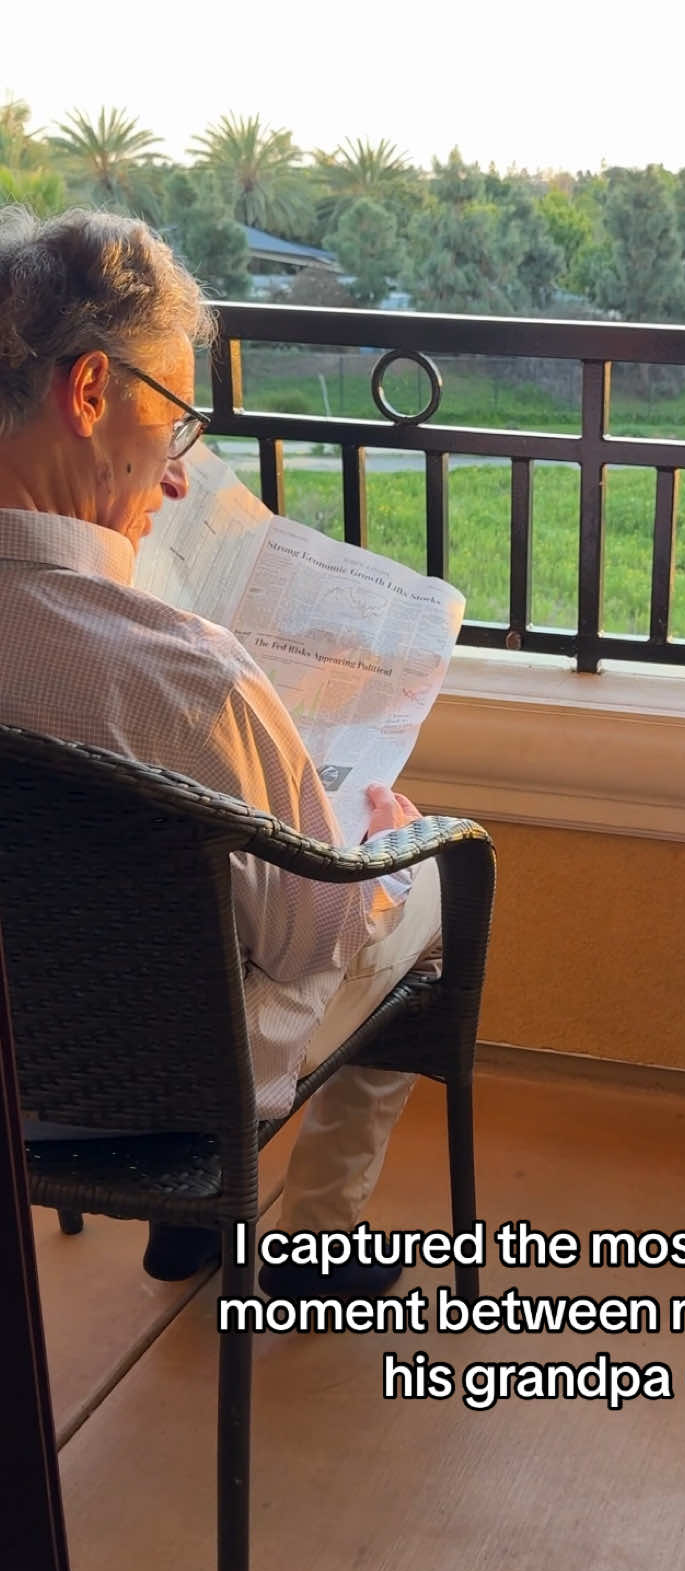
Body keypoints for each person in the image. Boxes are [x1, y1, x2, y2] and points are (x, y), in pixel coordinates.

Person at [0, 206, 441, 1296]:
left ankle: (200, 1227)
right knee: (425, 878)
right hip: (173, 1077)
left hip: (21, 1070)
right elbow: (310, 935)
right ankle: (310, 1235)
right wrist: (379, 857)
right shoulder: (190, 675)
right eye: (179, 421)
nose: (183, 476)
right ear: (90, 392)